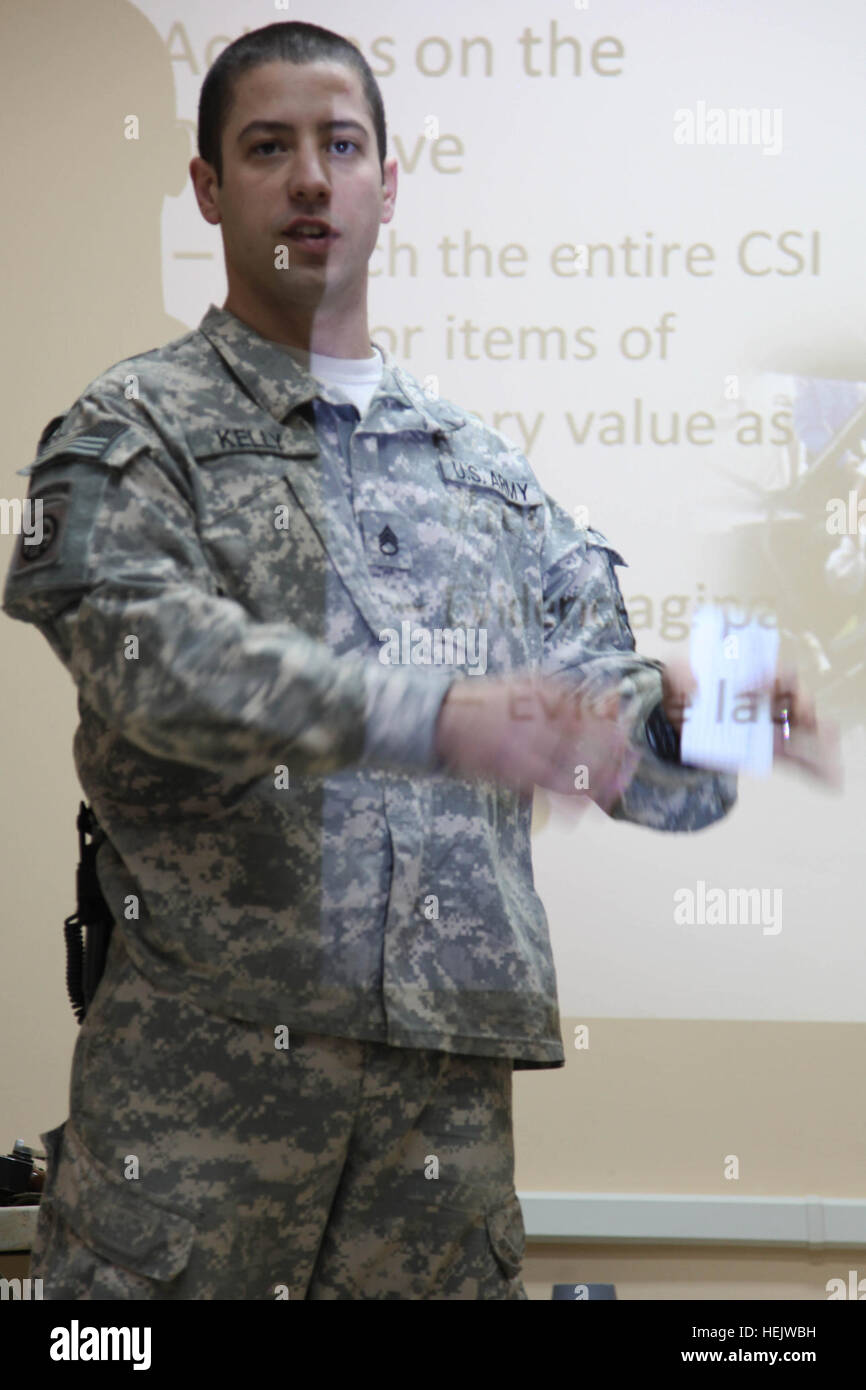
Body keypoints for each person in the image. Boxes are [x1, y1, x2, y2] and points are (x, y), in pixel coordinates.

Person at [1, 20, 827, 1300]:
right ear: (209, 187)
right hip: (194, 1148)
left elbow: (601, 731)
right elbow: (151, 662)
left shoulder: (488, 476)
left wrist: (689, 712)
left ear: (389, 180)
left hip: (432, 1172)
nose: (311, 180)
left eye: (341, 145)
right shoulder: (131, 432)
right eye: (267, 148)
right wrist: (437, 714)